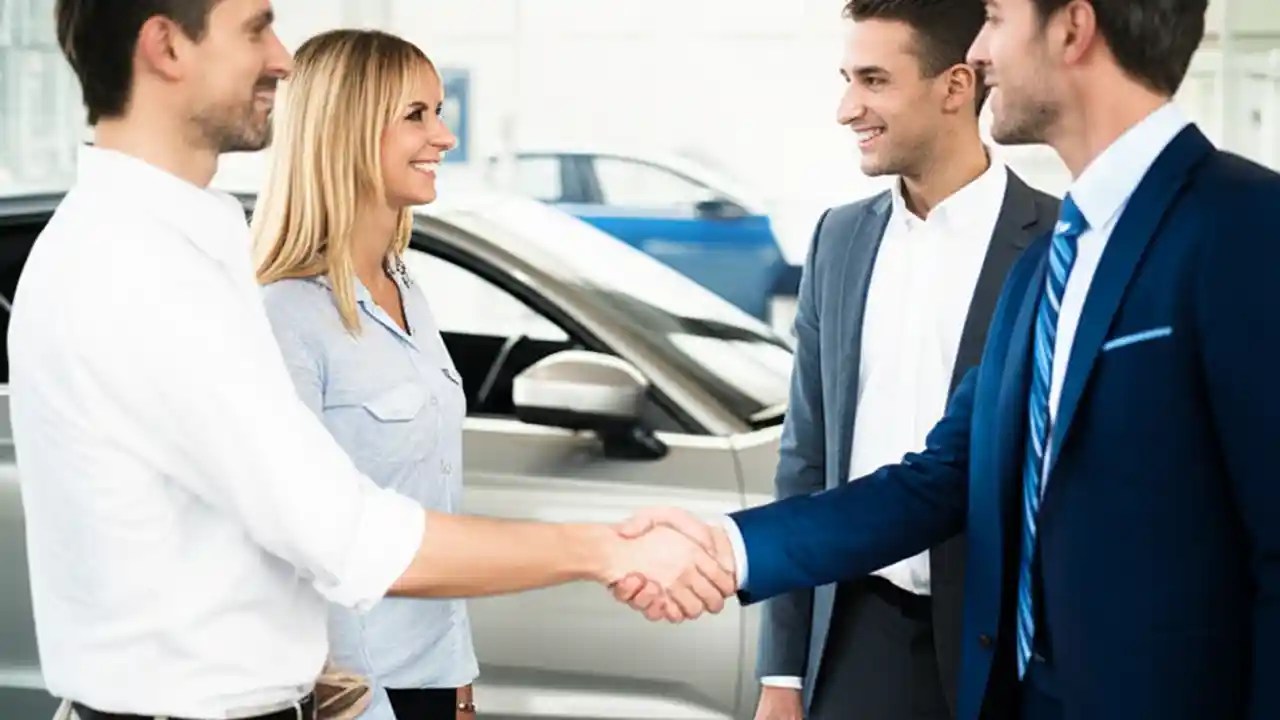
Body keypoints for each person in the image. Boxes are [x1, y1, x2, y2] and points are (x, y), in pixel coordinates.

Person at [10, 2, 731, 718]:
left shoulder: (175, 248)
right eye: (256, 29)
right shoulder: (142, 272)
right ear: (166, 47)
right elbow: (343, 536)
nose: (282, 59)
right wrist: (607, 549)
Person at [615, 0, 1280, 718]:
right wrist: (729, 548)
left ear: (1072, 28)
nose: (981, 52)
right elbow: (941, 477)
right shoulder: (1050, 266)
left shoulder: (1248, 227)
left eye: (995, 17)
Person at [750, 2, 1058, 720]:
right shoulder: (837, 240)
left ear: (956, 86)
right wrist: (782, 673)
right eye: (847, 80)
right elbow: (805, 460)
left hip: (1006, 651)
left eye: (874, 80)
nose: (846, 109)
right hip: (858, 638)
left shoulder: (1056, 242)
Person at [250, 28, 483, 720]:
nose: (444, 137)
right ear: (346, 130)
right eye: (416, 115)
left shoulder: (404, 286)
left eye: (438, 112)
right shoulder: (285, 314)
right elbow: (294, 555)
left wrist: (457, 675)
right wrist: (361, 707)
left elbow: (432, 498)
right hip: (357, 698)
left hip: (430, 677)